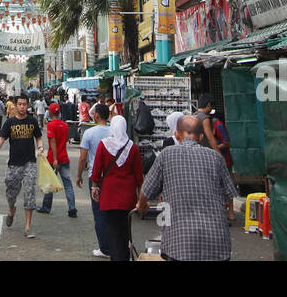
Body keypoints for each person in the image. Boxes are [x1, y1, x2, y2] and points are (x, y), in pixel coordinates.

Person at [137, 116, 238, 261]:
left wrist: (141, 205)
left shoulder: (166, 154)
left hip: (179, 245)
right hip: (217, 243)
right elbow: (229, 198)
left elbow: (146, 190)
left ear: (177, 134)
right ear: (201, 137)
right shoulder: (215, 157)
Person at [0, 94, 44, 239]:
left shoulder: (32, 121)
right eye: (19, 104)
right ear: (15, 105)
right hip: (14, 164)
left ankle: (27, 226)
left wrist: (40, 148)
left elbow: (38, 137)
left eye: (24, 104)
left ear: (28, 105)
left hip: (29, 163)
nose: (22, 107)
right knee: (11, 191)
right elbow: (1, 138)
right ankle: (11, 209)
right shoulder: (10, 123)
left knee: (29, 191)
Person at [91, 115, 143, 261]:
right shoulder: (132, 147)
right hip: (127, 196)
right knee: (124, 230)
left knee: (112, 230)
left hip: (109, 196)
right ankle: (123, 256)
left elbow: (97, 170)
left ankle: (116, 256)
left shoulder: (104, 144)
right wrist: (141, 196)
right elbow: (139, 175)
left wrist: (94, 187)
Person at [77, 102, 112, 258]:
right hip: (112, 177)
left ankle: (104, 248)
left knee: (98, 213)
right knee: (112, 212)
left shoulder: (89, 133)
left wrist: (78, 176)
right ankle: (114, 244)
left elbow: (83, 157)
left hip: (95, 178)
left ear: (96, 115)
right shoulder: (114, 131)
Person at [36, 102, 77, 217]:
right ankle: (72, 208)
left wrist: (54, 159)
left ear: (50, 112)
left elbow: (53, 142)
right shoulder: (64, 125)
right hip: (64, 157)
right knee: (68, 184)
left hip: (53, 159)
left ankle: (46, 207)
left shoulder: (51, 125)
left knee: (50, 183)